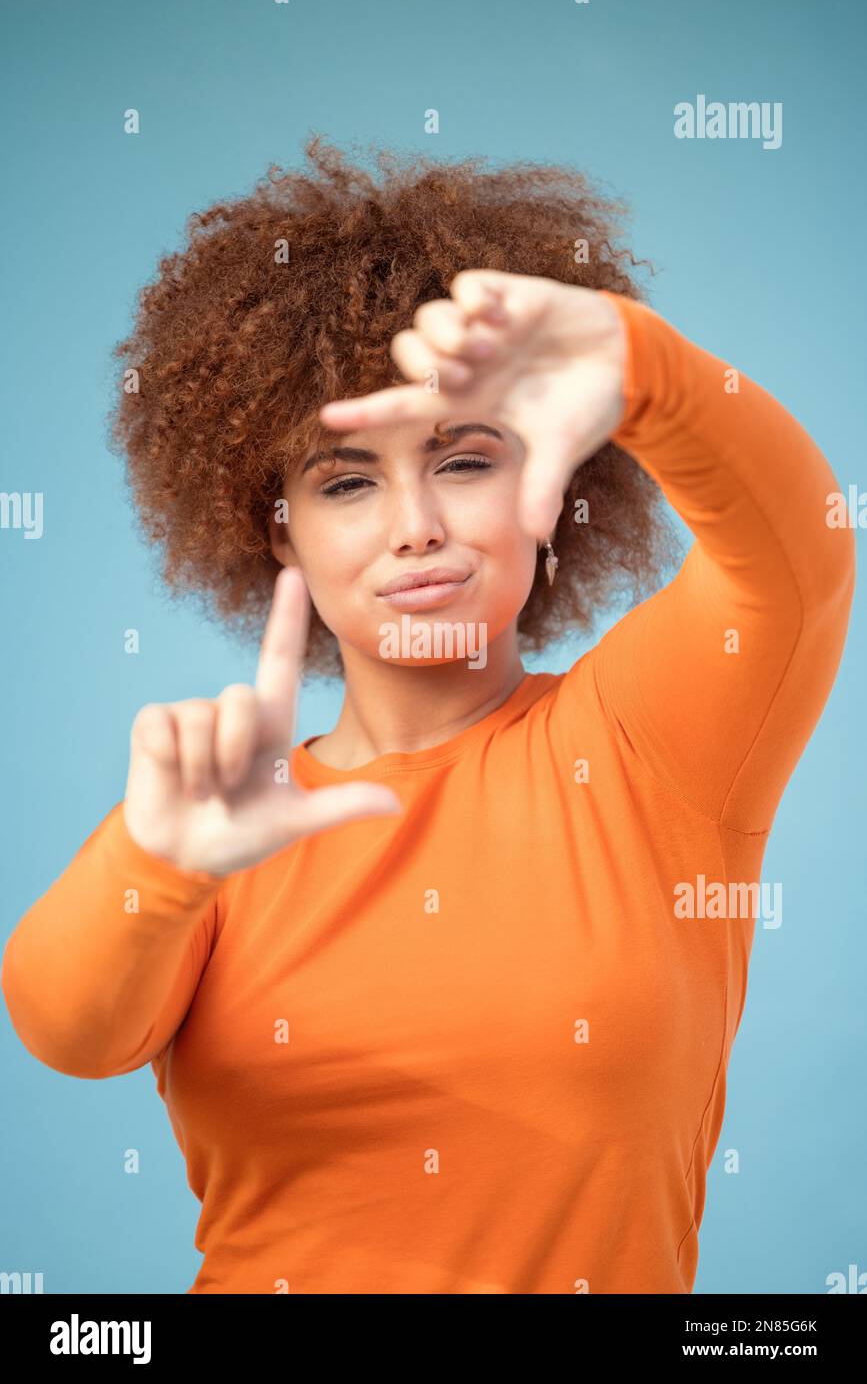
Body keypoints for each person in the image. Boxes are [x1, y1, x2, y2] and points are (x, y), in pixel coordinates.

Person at [1, 138, 855, 1294]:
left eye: (464, 461)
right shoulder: (229, 820)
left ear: (554, 485)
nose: (416, 526)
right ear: (276, 527)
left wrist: (642, 369)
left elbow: (797, 560)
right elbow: (68, 1033)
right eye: (347, 481)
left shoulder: (647, 744)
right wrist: (156, 863)